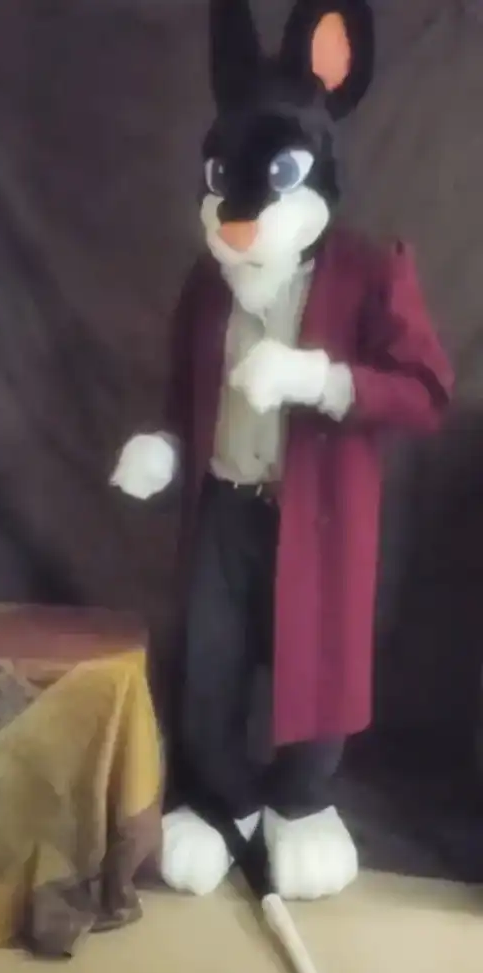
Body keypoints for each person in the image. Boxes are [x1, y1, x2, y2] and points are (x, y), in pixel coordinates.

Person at [110, 0, 454, 900]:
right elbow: (185, 395)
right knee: (209, 661)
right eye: (223, 180)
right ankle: (219, 801)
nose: (236, 218)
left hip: (319, 515)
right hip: (224, 506)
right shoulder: (206, 286)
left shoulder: (372, 271)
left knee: (319, 657)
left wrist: (319, 379)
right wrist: (166, 448)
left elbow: (425, 393)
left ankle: (300, 802)